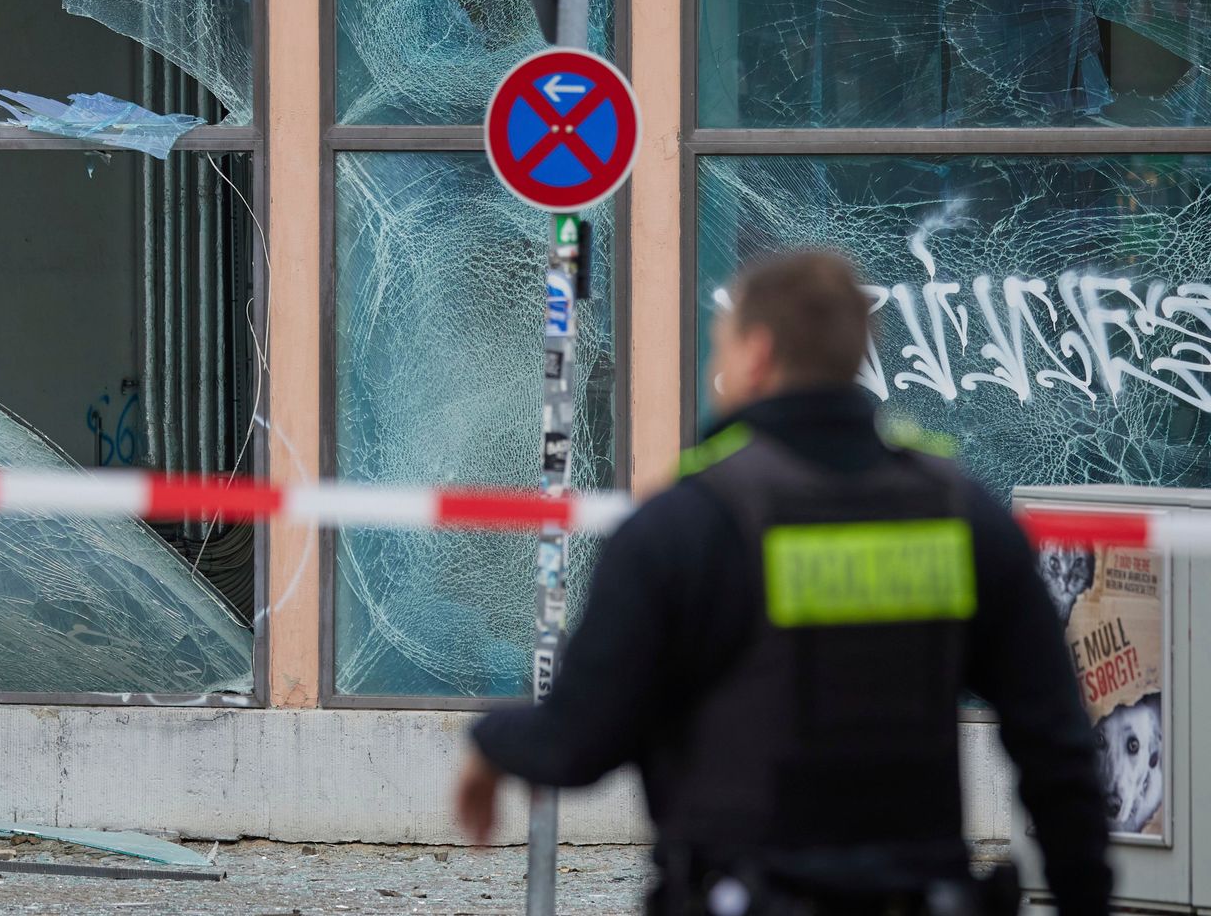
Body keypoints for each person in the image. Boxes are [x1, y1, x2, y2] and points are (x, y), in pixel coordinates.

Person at [455, 250, 1111, 915]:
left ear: (757, 354)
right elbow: (1056, 743)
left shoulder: (685, 527)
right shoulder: (964, 517)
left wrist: (490, 744)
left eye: (723, 345)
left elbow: (578, 743)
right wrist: (1085, 897)